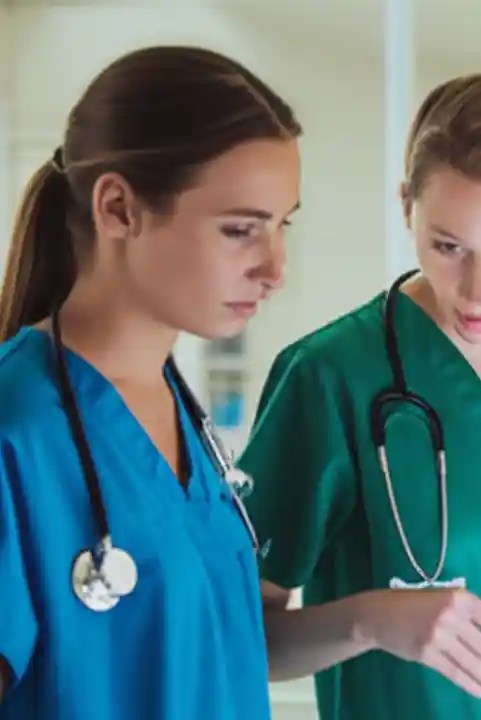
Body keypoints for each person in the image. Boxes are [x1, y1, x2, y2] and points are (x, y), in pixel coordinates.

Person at [237, 73, 481, 720]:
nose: (480, 290)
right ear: (407, 207)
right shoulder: (331, 378)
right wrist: (368, 621)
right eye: (449, 246)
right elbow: (234, 638)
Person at [0, 46, 301, 719]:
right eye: (239, 230)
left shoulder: (181, 417)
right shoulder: (17, 430)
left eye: (284, 225)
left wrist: (370, 624)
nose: (275, 267)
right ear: (118, 209)